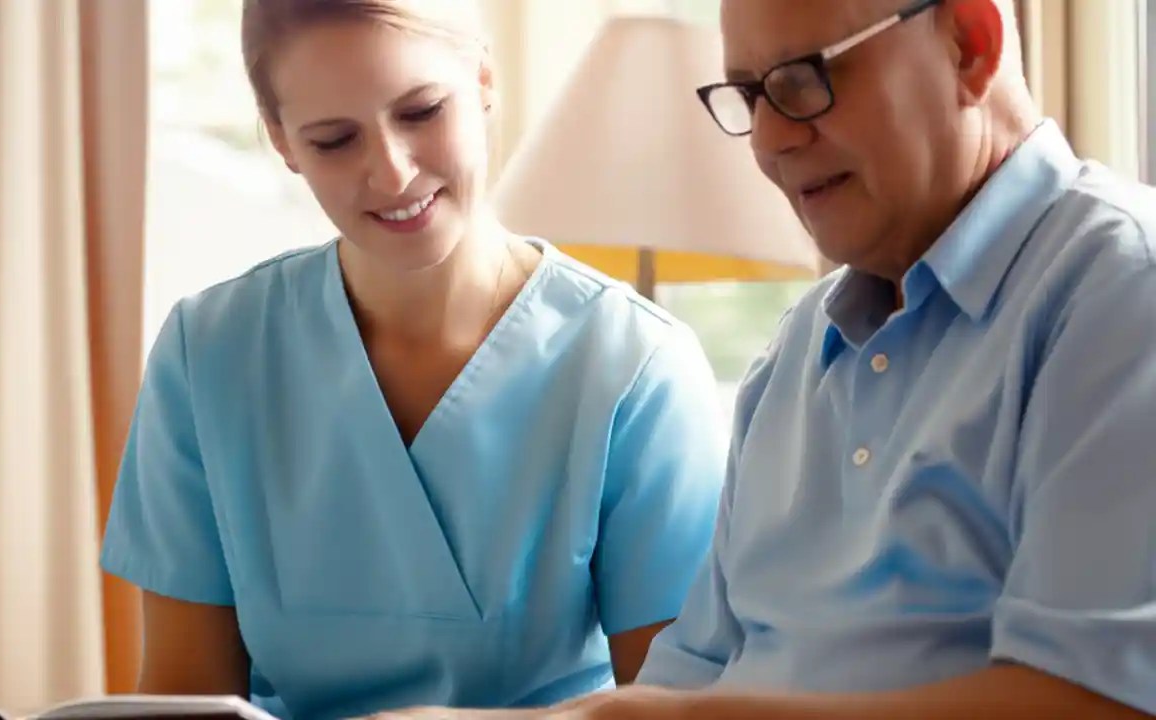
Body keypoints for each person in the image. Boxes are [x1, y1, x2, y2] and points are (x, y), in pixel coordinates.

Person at [367, 0, 1156, 717]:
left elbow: (1097, 701)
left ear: (971, 46)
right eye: (749, 96)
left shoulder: (1118, 292)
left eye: (805, 80)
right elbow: (687, 678)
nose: (773, 140)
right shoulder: (799, 350)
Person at [98, 0, 729, 718]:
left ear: (484, 79)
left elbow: (671, 710)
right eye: (334, 140)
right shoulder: (208, 353)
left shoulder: (632, 366)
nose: (393, 173)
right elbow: (186, 696)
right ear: (280, 142)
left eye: (422, 111)